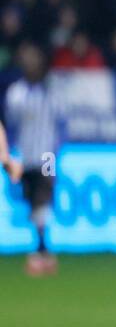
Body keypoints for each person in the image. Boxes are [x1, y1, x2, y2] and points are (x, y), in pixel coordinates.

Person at [3, 42, 61, 276]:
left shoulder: (52, 92)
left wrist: (58, 149)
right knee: (31, 201)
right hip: (25, 155)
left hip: (47, 155)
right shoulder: (17, 93)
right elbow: (11, 125)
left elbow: (61, 123)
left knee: (42, 198)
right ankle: (42, 249)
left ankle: (41, 250)